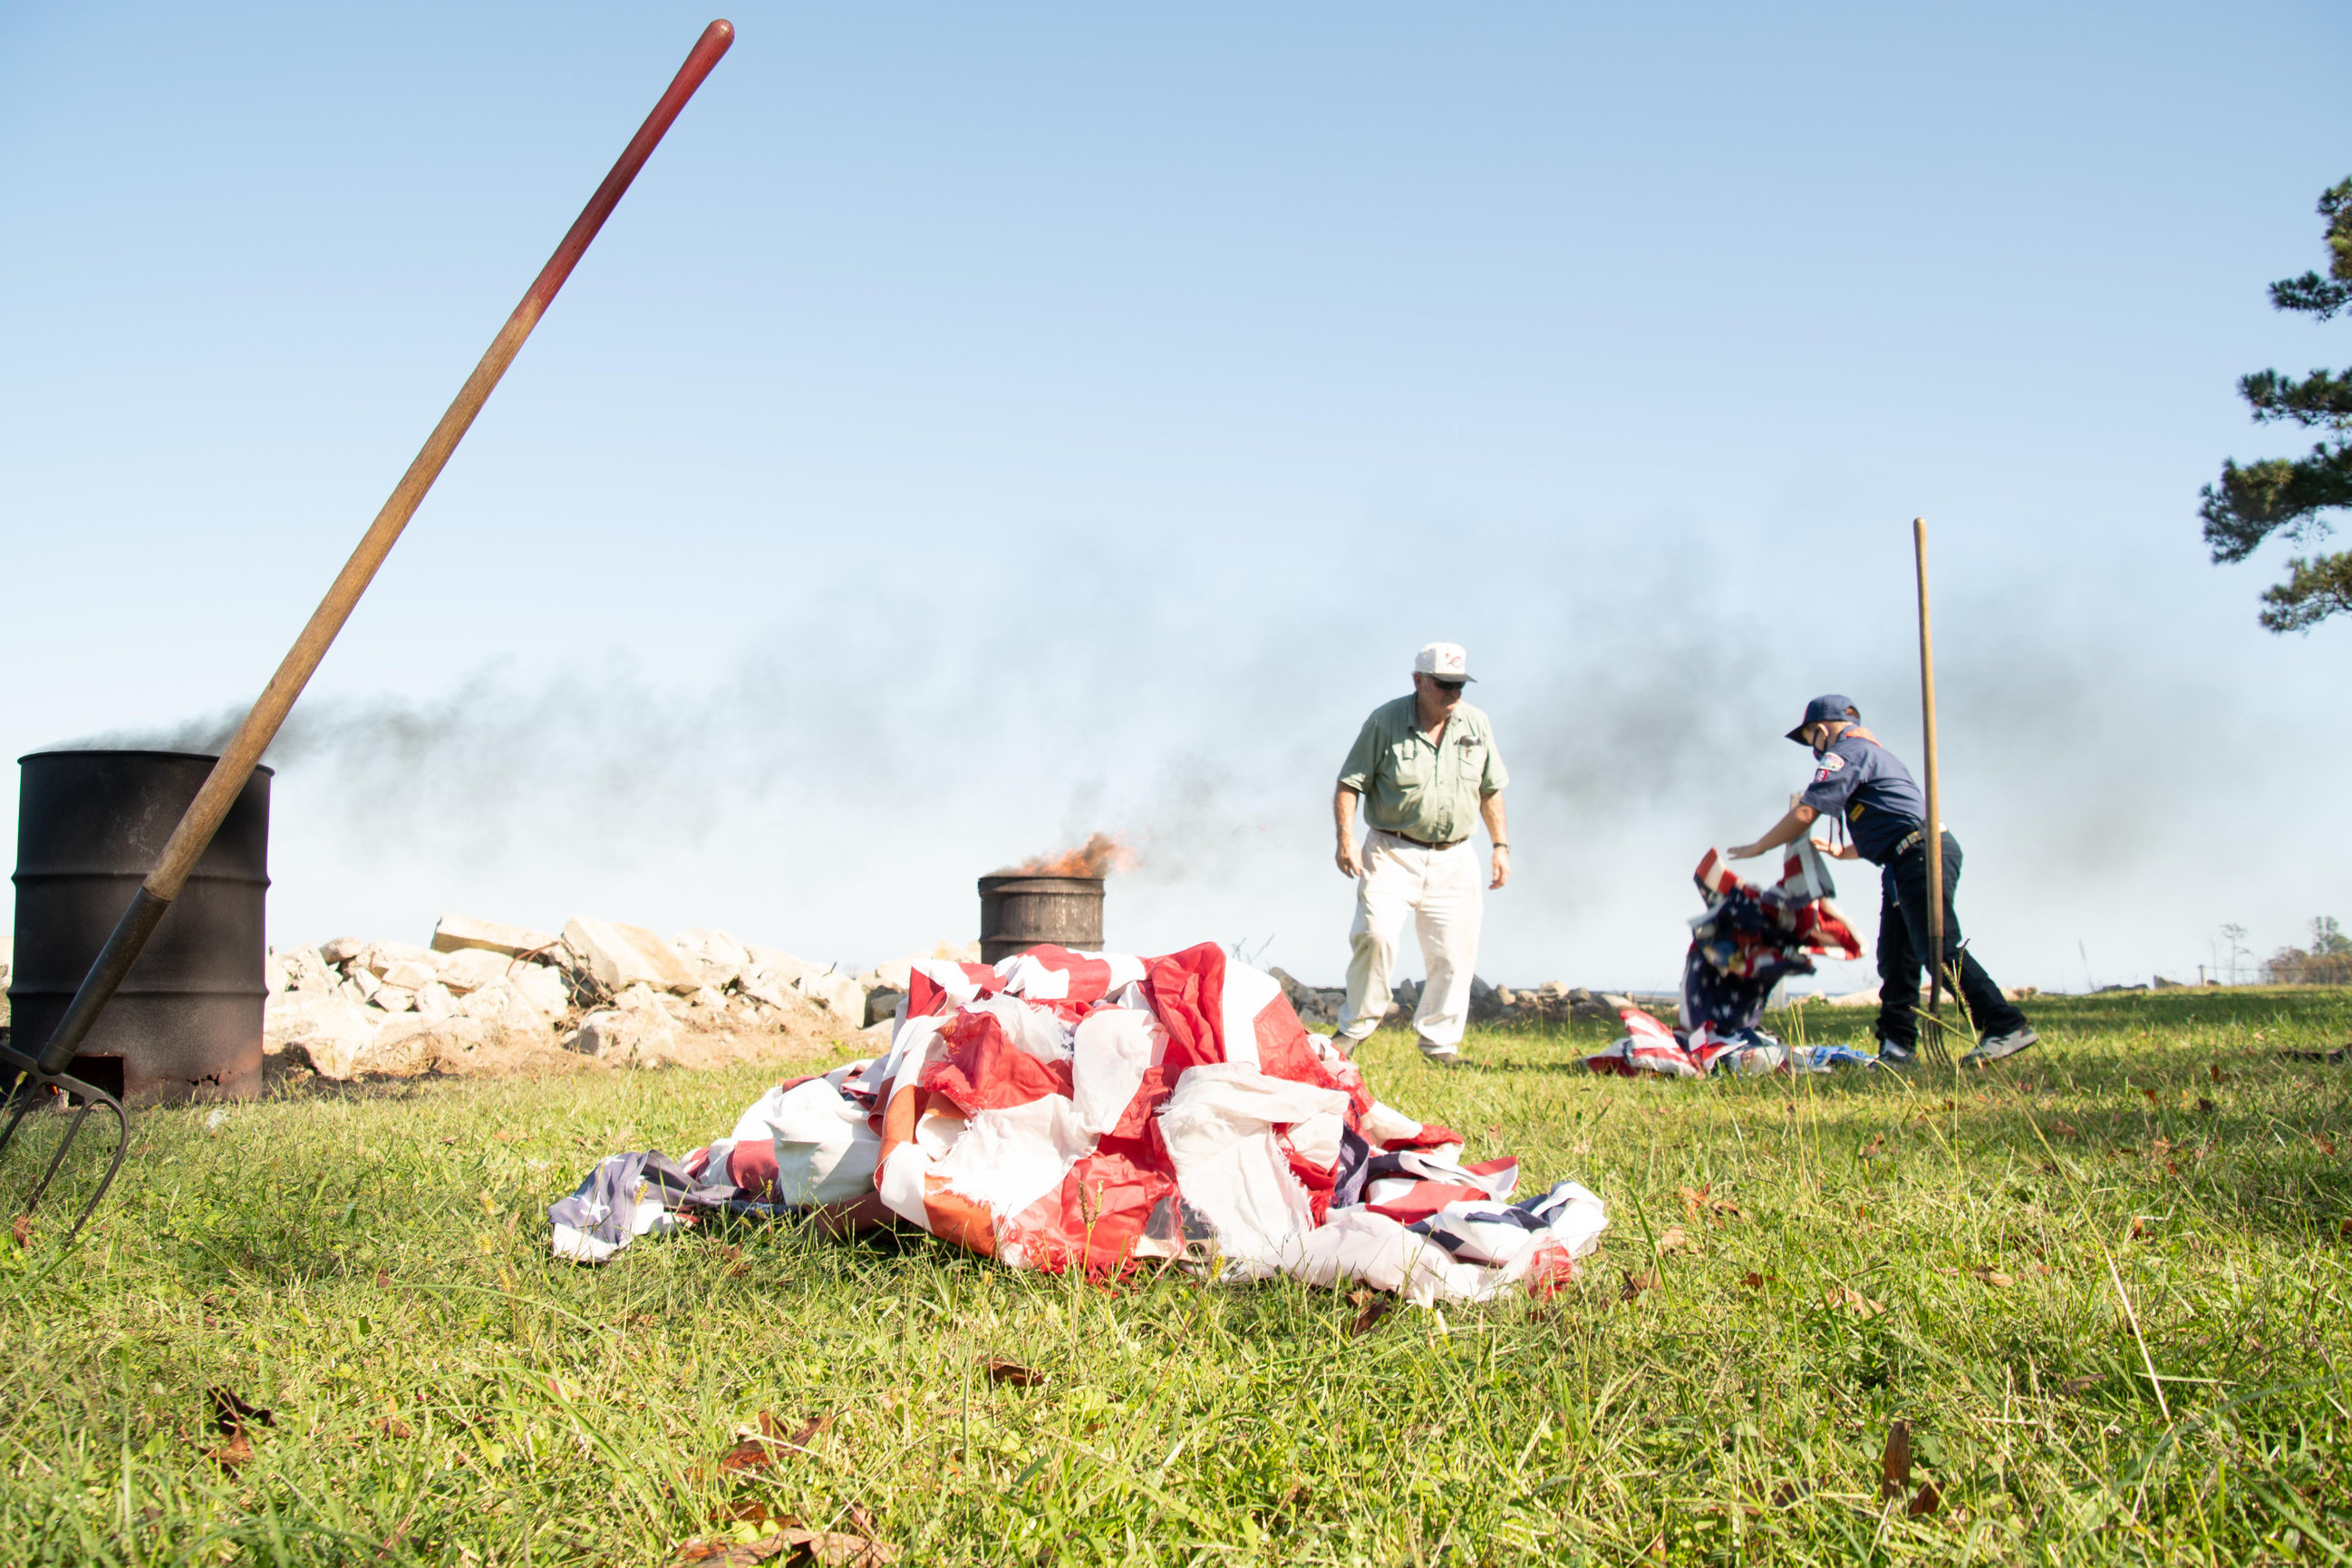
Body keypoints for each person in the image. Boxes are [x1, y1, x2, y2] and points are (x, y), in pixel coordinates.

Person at [1725, 694, 2037, 1067]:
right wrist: (1846, 852)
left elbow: (1808, 810)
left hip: (1921, 853)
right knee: (1896, 958)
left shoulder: (1846, 752)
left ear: (1821, 730)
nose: (1812, 747)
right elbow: (1893, 817)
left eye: (1810, 738)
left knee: (1937, 947)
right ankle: (1897, 1047)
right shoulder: (1869, 752)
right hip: (1905, 855)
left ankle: (2004, 1025)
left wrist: (1760, 846)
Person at [1331, 642, 1510, 1064]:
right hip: (1392, 850)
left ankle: (1440, 1043)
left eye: (1459, 685)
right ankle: (1353, 1029)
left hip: (1455, 856)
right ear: (1419, 681)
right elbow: (1349, 783)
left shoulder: (1477, 723)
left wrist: (1500, 846)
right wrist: (1346, 839)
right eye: (1443, 684)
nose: (1453, 693)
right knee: (1375, 936)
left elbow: (1491, 789)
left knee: (1454, 951)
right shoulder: (1384, 721)